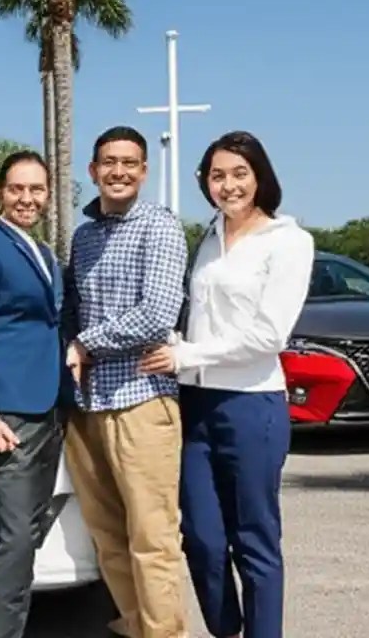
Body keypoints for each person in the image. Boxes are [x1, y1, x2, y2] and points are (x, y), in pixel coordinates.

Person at [138, 130, 312, 638]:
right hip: (196, 403)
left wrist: (185, 355)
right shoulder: (209, 238)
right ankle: (225, 627)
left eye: (240, 174)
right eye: (218, 176)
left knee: (254, 539)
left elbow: (269, 335)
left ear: (260, 178)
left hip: (252, 406)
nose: (229, 185)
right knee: (201, 537)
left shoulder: (288, 241)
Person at [60, 126, 189, 638]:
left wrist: (86, 344)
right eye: (109, 163)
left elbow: (157, 314)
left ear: (144, 171)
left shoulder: (159, 226)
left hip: (142, 401)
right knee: (108, 536)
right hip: (88, 405)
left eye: (129, 163)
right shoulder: (84, 236)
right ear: (93, 171)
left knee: (153, 537)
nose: (119, 172)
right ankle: (137, 626)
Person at [0, 150, 75, 638]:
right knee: (17, 538)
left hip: (48, 407)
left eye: (36, 189)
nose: (27, 198)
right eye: (17, 189)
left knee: (30, 533)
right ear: (0, 193)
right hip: (10, 414)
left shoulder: (41, 251)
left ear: (48, 195)